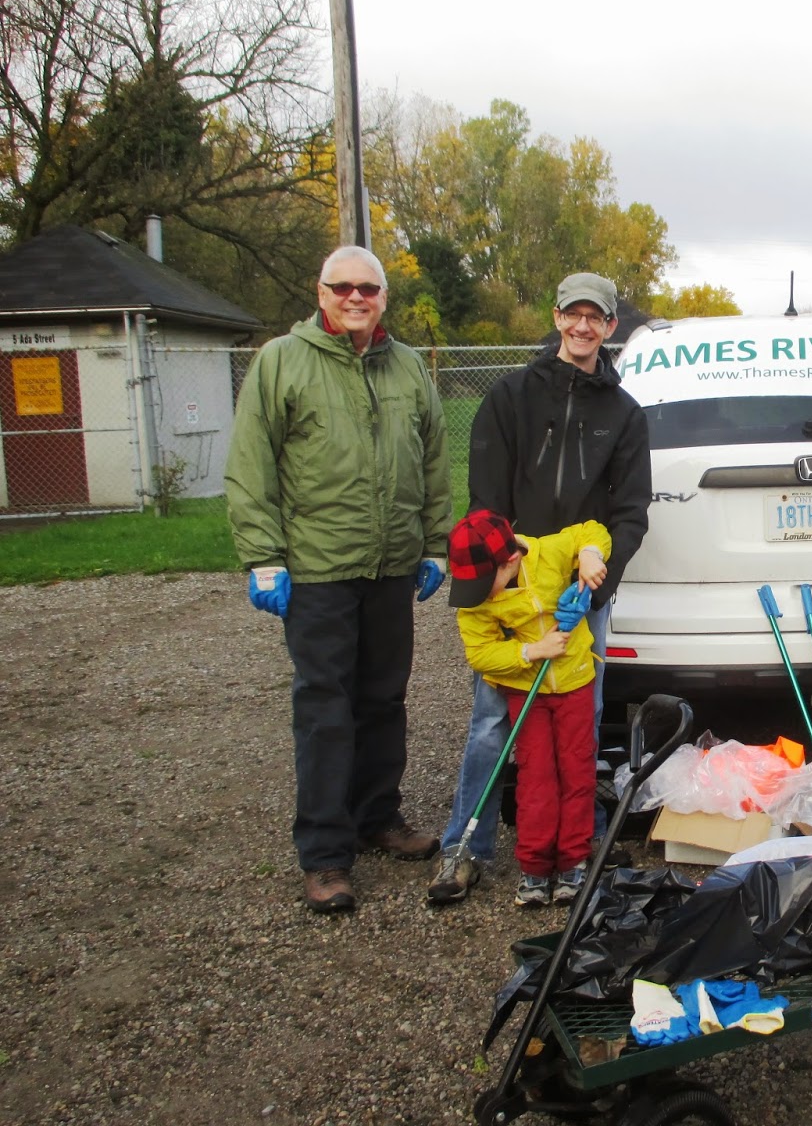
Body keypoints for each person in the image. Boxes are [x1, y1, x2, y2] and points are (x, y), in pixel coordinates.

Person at [224, 245, 451, 914]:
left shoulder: (408, 368)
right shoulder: (281, 362)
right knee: (326, 710)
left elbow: (434, 463)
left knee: (384, 701)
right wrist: (264, 554)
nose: (356, 296)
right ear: (320, 292)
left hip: (390, 568)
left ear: (383, 297)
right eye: (342, 286)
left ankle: (377, 816)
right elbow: (251, 465)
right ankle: (325, 854)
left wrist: (434, 545)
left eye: (368, 288)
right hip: (318, 569)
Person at [428, 272, 650, 903]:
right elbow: (486, 501)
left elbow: (629, 512)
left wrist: (597, 586)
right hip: (514, 591)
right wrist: (502, 581)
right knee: (493, 722)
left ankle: (579, 847)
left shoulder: (625, 414)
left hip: (583, 588)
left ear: (610, 329)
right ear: (556, 318)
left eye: (596, 318)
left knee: (580, 724)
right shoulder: (510, 397)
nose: (583, 327)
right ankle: (464, 845)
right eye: (573, 314)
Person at [445, 509, 610, 907]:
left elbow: (593, 528)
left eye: (487, 583)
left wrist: (590, 555)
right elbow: (480, 653)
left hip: (574, 684)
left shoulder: (550, 552)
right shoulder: (478, 601)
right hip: (526, 693)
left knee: (577, 770)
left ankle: (573, 862)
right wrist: (531, 651)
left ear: (512, 560)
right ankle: (534, 869)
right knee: (535, 778)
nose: (481, 594)